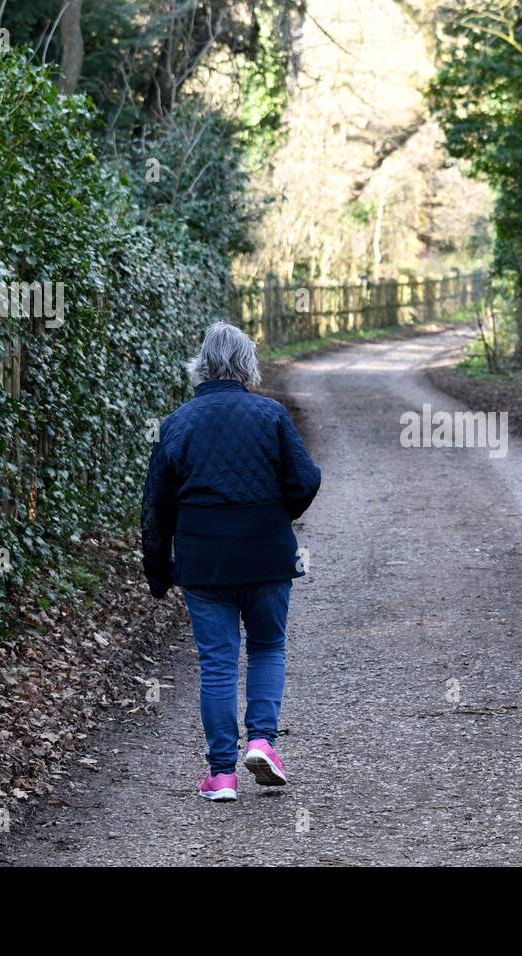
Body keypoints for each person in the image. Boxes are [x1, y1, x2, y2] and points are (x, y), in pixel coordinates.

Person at [140, 322, 321, 800]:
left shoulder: (176, 423)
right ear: (246, 365)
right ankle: (262, 742)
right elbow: (304, 481)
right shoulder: (271, 416)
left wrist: (158, 571)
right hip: (265, 556)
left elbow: (156, 508)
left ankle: (221, 775)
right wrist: (274, 516)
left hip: (204, 563)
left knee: (218, 663)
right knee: (266, 647)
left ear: (201, 365)